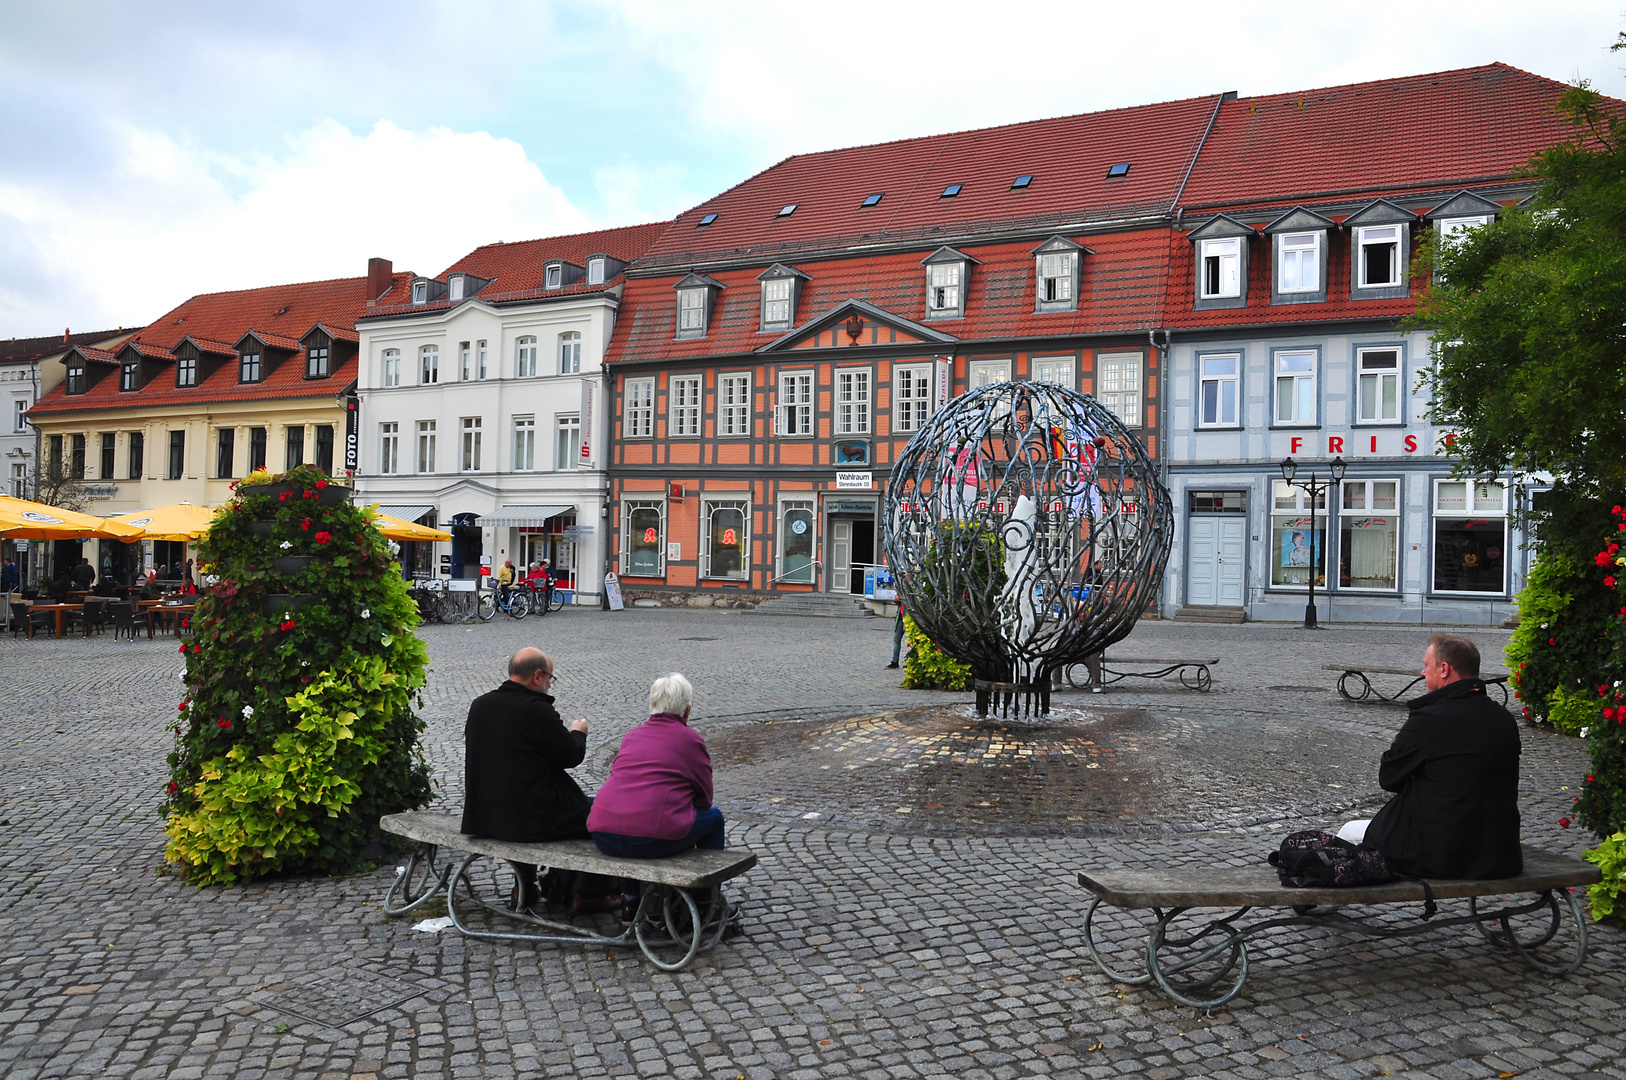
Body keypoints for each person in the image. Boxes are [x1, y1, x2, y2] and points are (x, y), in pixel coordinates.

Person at [1340, 634, 1522, 880]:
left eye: (1427, 665)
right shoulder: (1504, 718)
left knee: (1349, 831)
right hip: (1499, 852)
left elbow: (1389, 778)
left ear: (1444, 669)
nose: (1423, 672)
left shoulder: (1431, 719)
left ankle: (1315, 896)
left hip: (1441, 853)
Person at [461, 648, 621, 914]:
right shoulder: (535, 710)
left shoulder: (480, 705)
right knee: (605, 817)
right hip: (529, 820)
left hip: (485, 815)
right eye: (550, 678)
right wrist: (578, 732)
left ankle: (522, 887)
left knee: (520, 797)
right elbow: (570, 755)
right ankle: (589, 894)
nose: (549, 684)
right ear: (537, 676)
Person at [589, 673, 726, 918]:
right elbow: (705, 800)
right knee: (714, 819)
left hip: (602, 833)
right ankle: (707, 904)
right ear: (686, 710)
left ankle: (630, 902)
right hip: (648, 838)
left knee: (633, 822)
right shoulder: (690, 740)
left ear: (652, 705)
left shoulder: (632, 736)